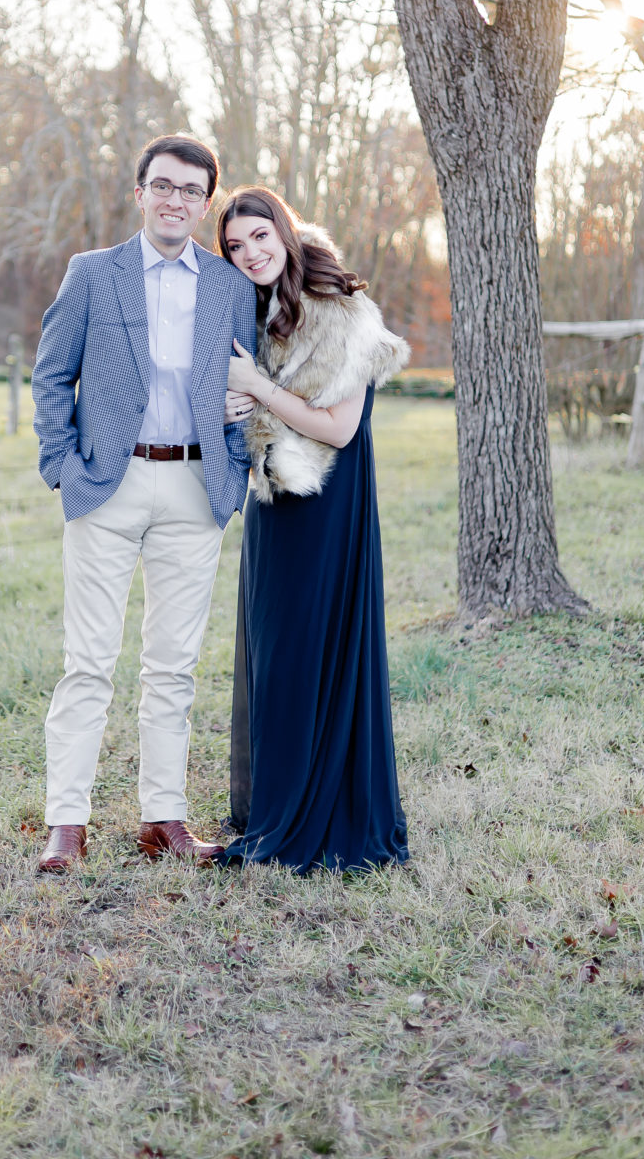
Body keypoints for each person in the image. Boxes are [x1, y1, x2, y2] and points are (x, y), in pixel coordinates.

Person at [30, 135, 256, 873]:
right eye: (163, 185)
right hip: (106, 483)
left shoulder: (228, 286)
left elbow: (248, 387)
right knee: (88, 662)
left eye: (191, 191)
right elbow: (50, 374)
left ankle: (164, 818)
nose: (174, 200)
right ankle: (67, 821)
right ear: (139, 192)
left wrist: (236, 476)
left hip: (195, 490)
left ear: (204, 203)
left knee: (173, 666)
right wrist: (62, 466)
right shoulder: (94, 274)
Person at [216, 187, 411, 874]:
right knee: (272, 656)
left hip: (325, 506)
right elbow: (250, 401)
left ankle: (323, 814)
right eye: (235, 246)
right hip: (273, 504)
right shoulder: (251, 309)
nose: (250, 254)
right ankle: (274, 803)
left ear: (285, 232)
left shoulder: (341, 312)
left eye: (259, 237)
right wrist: (239, 398)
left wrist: (259, 390)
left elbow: (337, 426)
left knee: (310, 649)